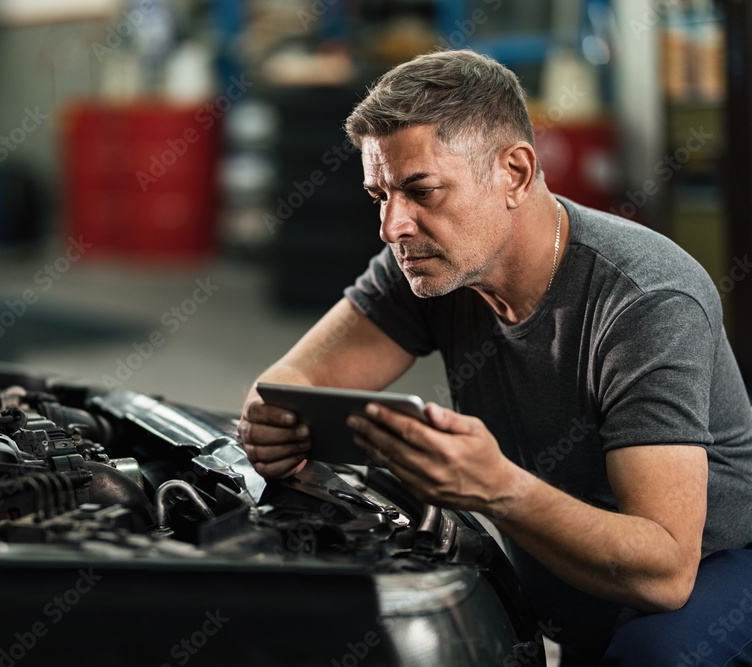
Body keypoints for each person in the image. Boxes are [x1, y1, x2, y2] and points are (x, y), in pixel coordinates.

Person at [238, 49, 752, 666]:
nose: (393, 225)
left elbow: (666, 572)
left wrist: (496, 488)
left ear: (513, 172)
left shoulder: (645, 300)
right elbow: (288, 386)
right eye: (380, 194)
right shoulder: (431, 263)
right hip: (573, 582)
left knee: (652, 656)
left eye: (421, 190)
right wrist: (273, 425)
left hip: (713, 574)